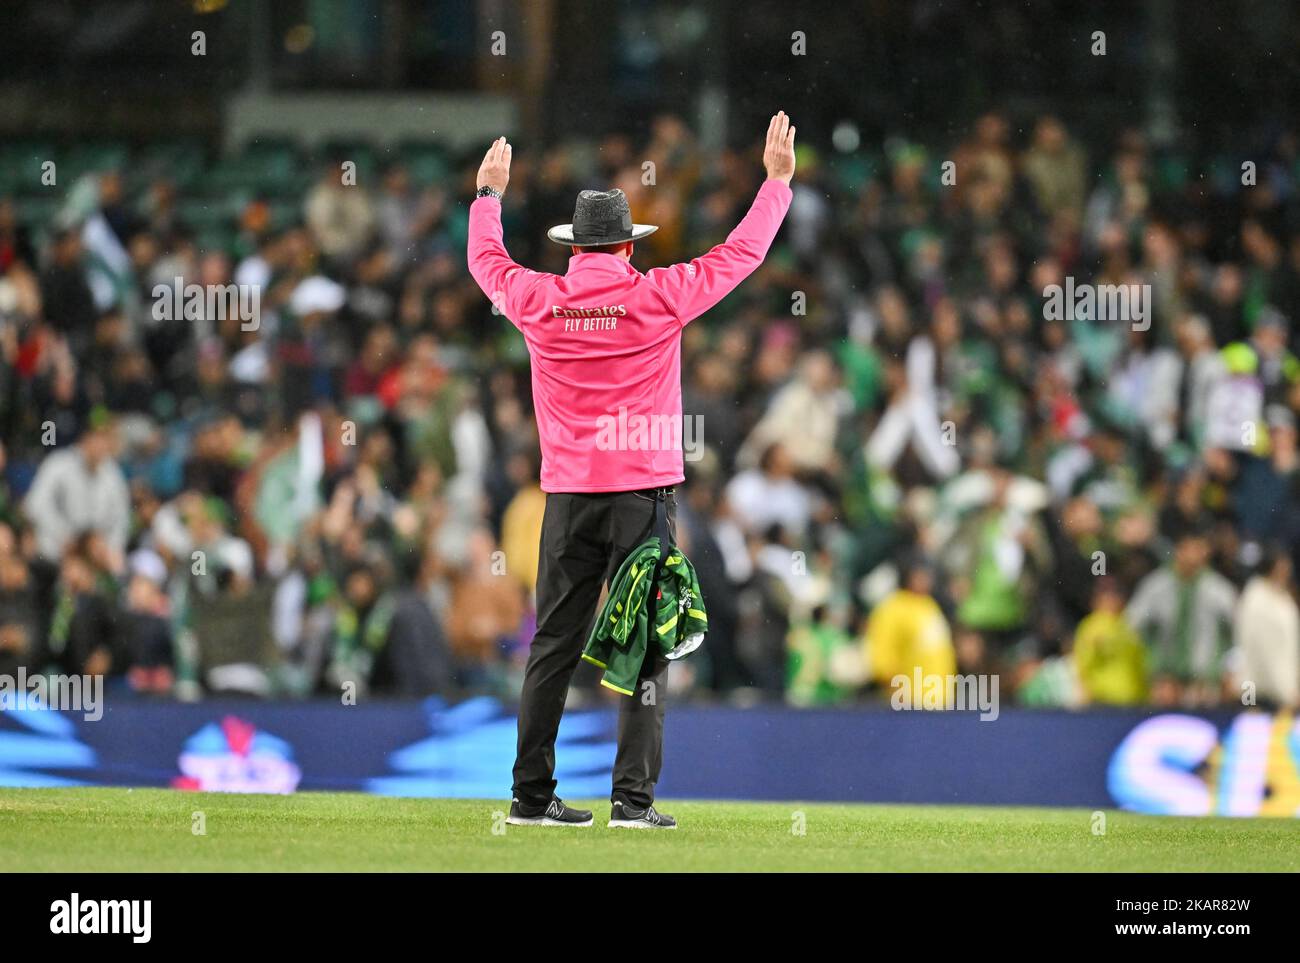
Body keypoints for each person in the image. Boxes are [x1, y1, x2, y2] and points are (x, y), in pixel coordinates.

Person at [467, 112, 796, 828]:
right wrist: (775, 185)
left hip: (566, 496)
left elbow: (485, 265)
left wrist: (487, 198)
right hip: (641, 494)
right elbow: (740, 255)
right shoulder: (657, 295)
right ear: (625, 243)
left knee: (552, 642)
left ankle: (529, 797)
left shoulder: (540, 301)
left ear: (574, 247)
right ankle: (631, 800)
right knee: (644, 642)